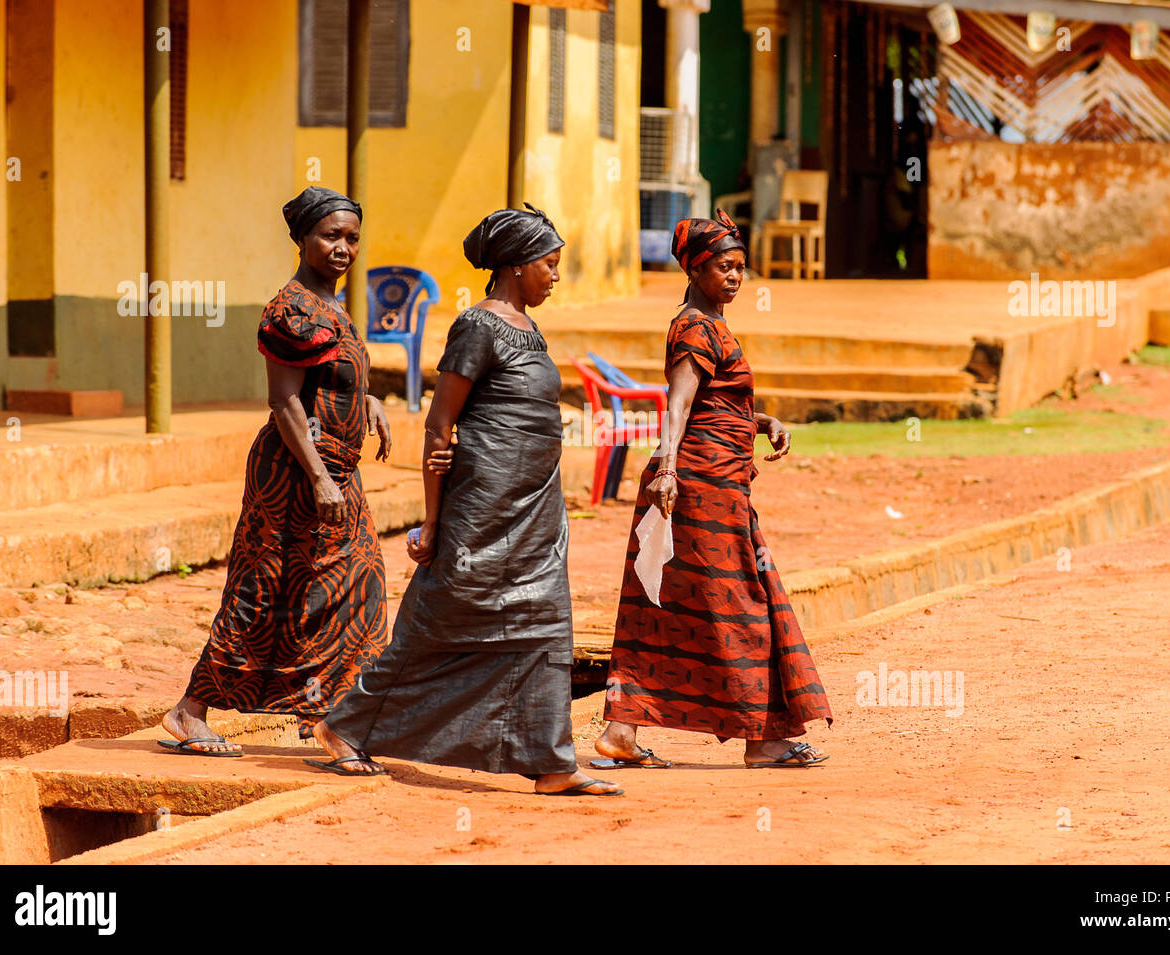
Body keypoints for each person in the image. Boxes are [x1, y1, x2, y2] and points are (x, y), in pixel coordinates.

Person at [310, 204, 622, 796]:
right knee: (442, 619)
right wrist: (432, 520)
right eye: (550, 264)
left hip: (535, 508)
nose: (556, 275)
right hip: (481, 507)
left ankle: (551, 761)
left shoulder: (529, 328)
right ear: (516, 264)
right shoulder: (477, 326)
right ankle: (345, 726)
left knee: (544, 622)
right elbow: (439, 425)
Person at [159, 187, 399, 756]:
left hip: (336, 469)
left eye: (352, 238)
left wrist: (370, 401)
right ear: (302, 239)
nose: (344, 247)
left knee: (348, 589)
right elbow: (285, 402)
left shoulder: (334, 307)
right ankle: (192, 711)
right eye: (331, 236)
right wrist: (317, 477)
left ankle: (330, 712)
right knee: (265, 589)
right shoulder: (292, 310)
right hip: (294, 475)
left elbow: (331, 379)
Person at [595, 209, 834, 769]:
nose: (734, 277)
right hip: (698, 488)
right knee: (743, 601)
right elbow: (678, 405)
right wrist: (669, 470)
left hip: (716, 481)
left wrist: (759, 421)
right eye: (723, 267)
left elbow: (712, 405)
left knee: (663, 605)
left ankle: (621, 733)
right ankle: (764, 739)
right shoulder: (698, 328)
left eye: (740, 268)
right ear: (696, 269)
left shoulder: (707, 326)